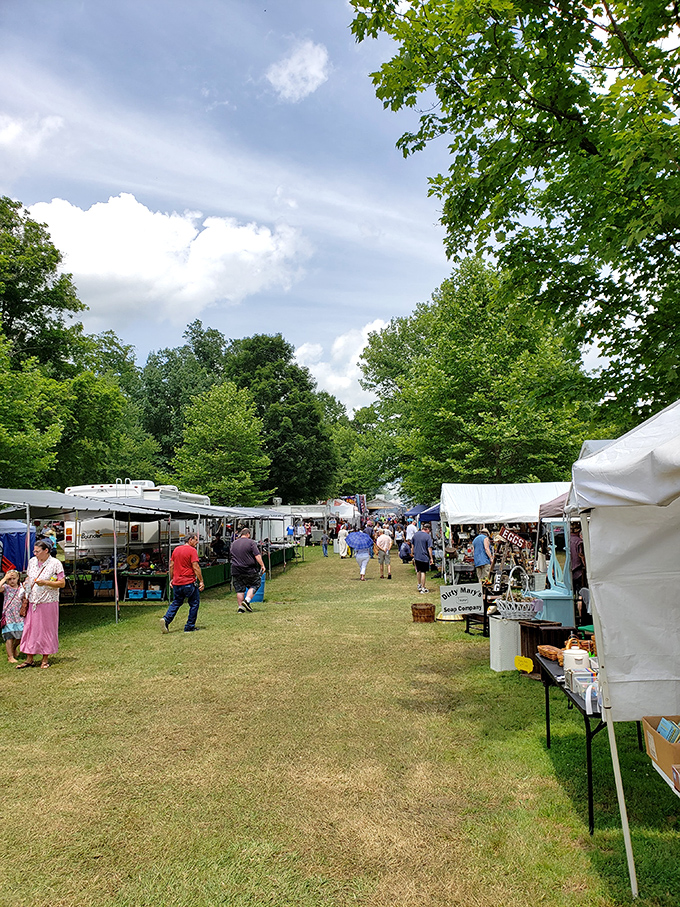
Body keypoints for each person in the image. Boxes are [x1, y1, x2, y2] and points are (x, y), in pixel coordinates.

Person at [18, 540, 65, 669]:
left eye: (37, 551)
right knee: (30, 629)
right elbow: (29, 577)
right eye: (34, 551)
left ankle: (45, 658)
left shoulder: (55, 564)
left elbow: (62, 583)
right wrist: (26, 584)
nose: (35, 554)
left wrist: (46, 582)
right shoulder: (32, 562)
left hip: (48, 601)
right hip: (33, 600)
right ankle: (29, 658)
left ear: (46, 551)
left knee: (46, 629)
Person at [160, 533, 204, 633]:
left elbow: (171, 566)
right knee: (194, 603)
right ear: (190, 540)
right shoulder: (192, 551)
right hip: (188, 581)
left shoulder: (176, 550)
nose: (197, 542)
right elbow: (196, 567)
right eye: (196, 540)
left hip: (177, 582)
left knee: (176, 602)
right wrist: (201, 581)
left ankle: (166, 619)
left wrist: (172, 579)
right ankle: (189, 626)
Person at [230, 527, 266, 612]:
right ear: (248, 534)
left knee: (239, 588)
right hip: (249, 569)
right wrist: (262, 565)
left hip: (235, 569)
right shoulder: (251, 543)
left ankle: (240, 608)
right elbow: (257, 555)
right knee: (256, 583)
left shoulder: (234, 543)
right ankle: (247, 600)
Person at [1, 569, 25, 663]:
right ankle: (10, 656)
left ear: (18, 578)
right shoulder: (6, 587)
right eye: (9, 579)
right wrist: (4, 579)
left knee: (21, 634)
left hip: (19, 614)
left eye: (13, 578)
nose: (12, 581)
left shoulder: (21, 587)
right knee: (9, 635)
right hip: (9, 615)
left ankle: (14, 648)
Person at [411, 523, 434, 593]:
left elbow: (412, 545)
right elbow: (429, 548)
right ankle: (423, 587)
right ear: (427, 529)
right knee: (423, 572)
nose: (429, 532)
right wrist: (431, 558)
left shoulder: (415, 535)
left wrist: (413, 553)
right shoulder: (427, 537)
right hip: (424, 556)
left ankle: (419, 584)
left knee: (418, 571)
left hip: (417, 556)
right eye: (429, 531)